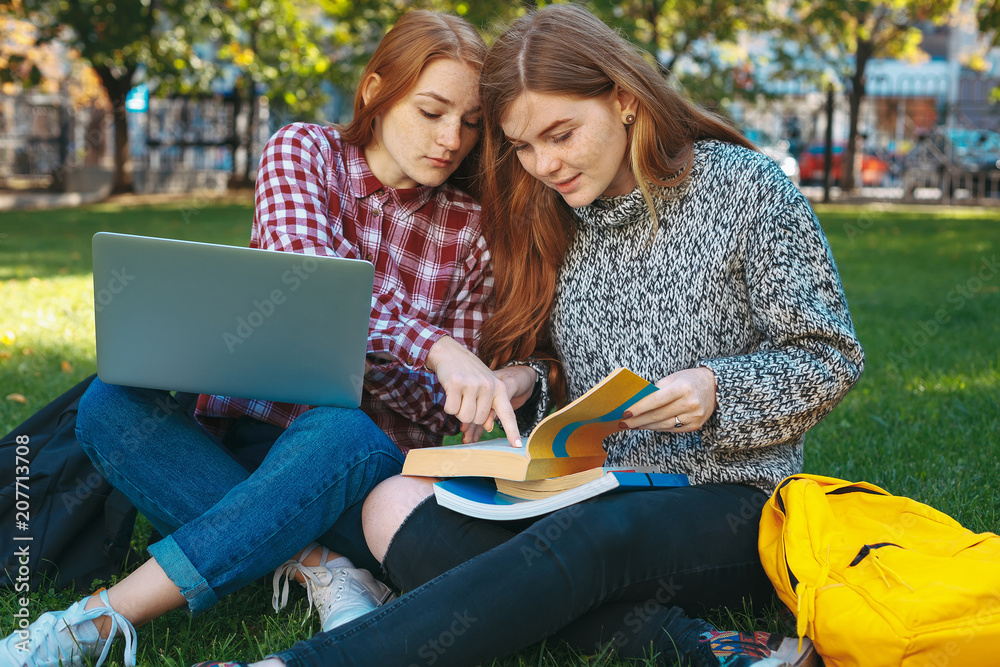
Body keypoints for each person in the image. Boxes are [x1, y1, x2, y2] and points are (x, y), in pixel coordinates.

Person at [194, 4, 865, 667]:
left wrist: (717, 388)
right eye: (522, 145)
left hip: (732, 502)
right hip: (584, 486)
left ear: (625, 101)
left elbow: (829, 355)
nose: (544, 163)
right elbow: (561, 371)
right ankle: (711, 648)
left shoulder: (746, 189)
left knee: (590, 536)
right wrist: (527, 380)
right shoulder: (561, 215)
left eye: (561, 133)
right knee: (394, 505)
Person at [1, 10, 524, 667]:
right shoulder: (304, 151)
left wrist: (373, 358)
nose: (451, 138)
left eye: (470, 123)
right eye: (432, 111)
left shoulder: (471, 230)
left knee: (340, 427)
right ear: (375, 91)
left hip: (360, 473)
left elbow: (437, 409)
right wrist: (431, 347)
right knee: (108, 404)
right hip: (243, 446)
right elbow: (312, 275)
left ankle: (93, 622)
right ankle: (320, 566)